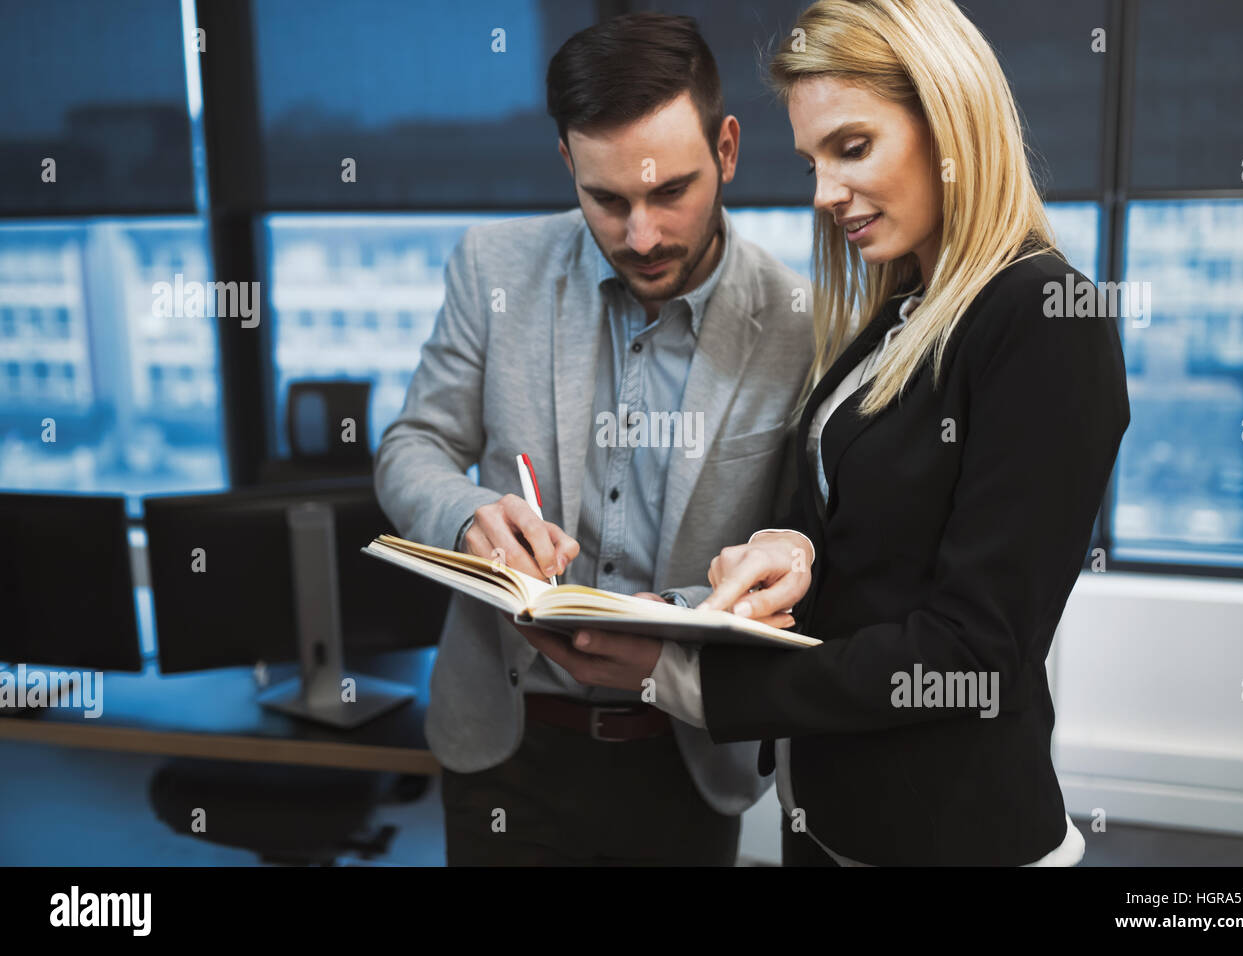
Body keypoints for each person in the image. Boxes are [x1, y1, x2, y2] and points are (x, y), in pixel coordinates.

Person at [517, 0, 1131, 866]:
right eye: (812, 160)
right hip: (835, 823)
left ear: (950, 118)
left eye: (852, 148)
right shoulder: (903, 309)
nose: (822, 193)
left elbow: (973, 653)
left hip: (956, 838)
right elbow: (867, 528)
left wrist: (682, 677)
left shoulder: (1043, 318)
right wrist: (788, 544)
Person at [374, 12, 814, 865]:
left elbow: (800, 545)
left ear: (726, 151)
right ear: (567, 163)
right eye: (607, 199)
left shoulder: (803, 323)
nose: (640, 236)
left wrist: (689, 614)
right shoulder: (492, 268)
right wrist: (468, 517)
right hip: (505, 745)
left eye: (670, 192)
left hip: (685, 751)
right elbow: (410, 446)